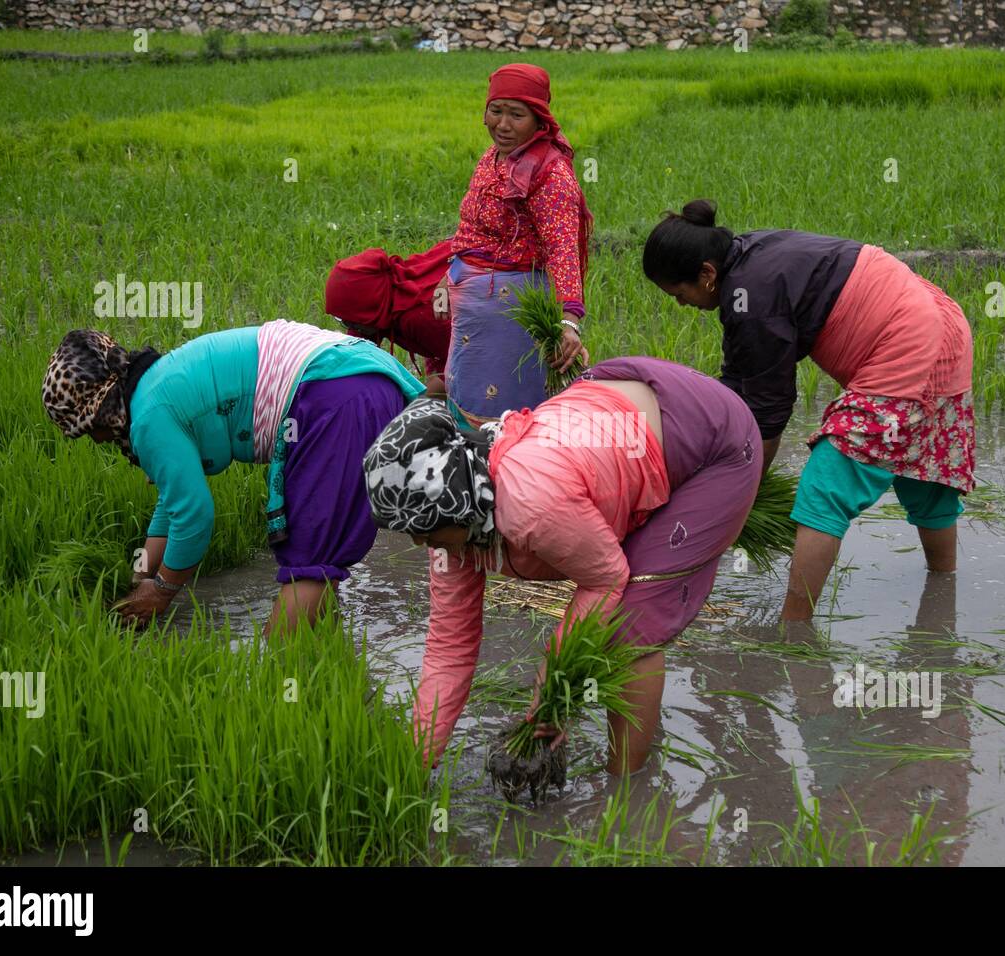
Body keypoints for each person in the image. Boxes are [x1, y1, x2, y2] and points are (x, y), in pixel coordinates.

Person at [364, 356, 762, 772]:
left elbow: (605, 580)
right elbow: (449, 649)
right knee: (610, 552)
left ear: (455, 505)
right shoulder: (450, 528)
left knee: (633, 628)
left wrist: (552, 690)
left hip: (709, 436)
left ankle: (626, 791)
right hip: (612, 416)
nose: (421, 542)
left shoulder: (530, 505)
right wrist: (413, 765)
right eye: (411, 532)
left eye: (425, 531)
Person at [642, 200, 975, 619]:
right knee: (923, 473)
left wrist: (741, 490)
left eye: (679, 293)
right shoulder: (751, 261)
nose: (681, 304)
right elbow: (742, 379)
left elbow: (768, 412)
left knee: (824, 485)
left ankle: (793, 630)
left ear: (707, 274)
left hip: (908, 337)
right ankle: (943, 593)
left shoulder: (751, 296)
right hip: (944, 325)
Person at [41, 321, 425, 636]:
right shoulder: (152, 388)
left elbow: (194, 516)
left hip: (334, 395)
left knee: (310, 557)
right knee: (318, 563)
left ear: (97, 413)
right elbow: (173, 503)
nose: (97, 440)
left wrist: (161, 592)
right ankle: (318, 651)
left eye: (87, 431)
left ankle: (277, 684)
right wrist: (140, 574)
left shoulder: (148, 418)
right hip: (356, 377)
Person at [437, 63, 595, 425]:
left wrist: (570, 321)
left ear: (539, 119)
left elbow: (562, 248)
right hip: (472, 309)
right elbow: (468, 227)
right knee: (465, 400)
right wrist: (444, 279)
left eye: (516, 115)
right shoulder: (490, 159)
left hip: (514, 313)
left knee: (509, 417)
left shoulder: (549, 174)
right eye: (496, 111)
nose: (503, 125)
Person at [324, 240, 453, 395]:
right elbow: (356, 354)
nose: (351, 328)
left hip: (480, 322)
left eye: (350, 322)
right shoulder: (383, 299)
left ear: (369, 312)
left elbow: (465, 364)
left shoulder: (418, 317)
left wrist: (419, 404)